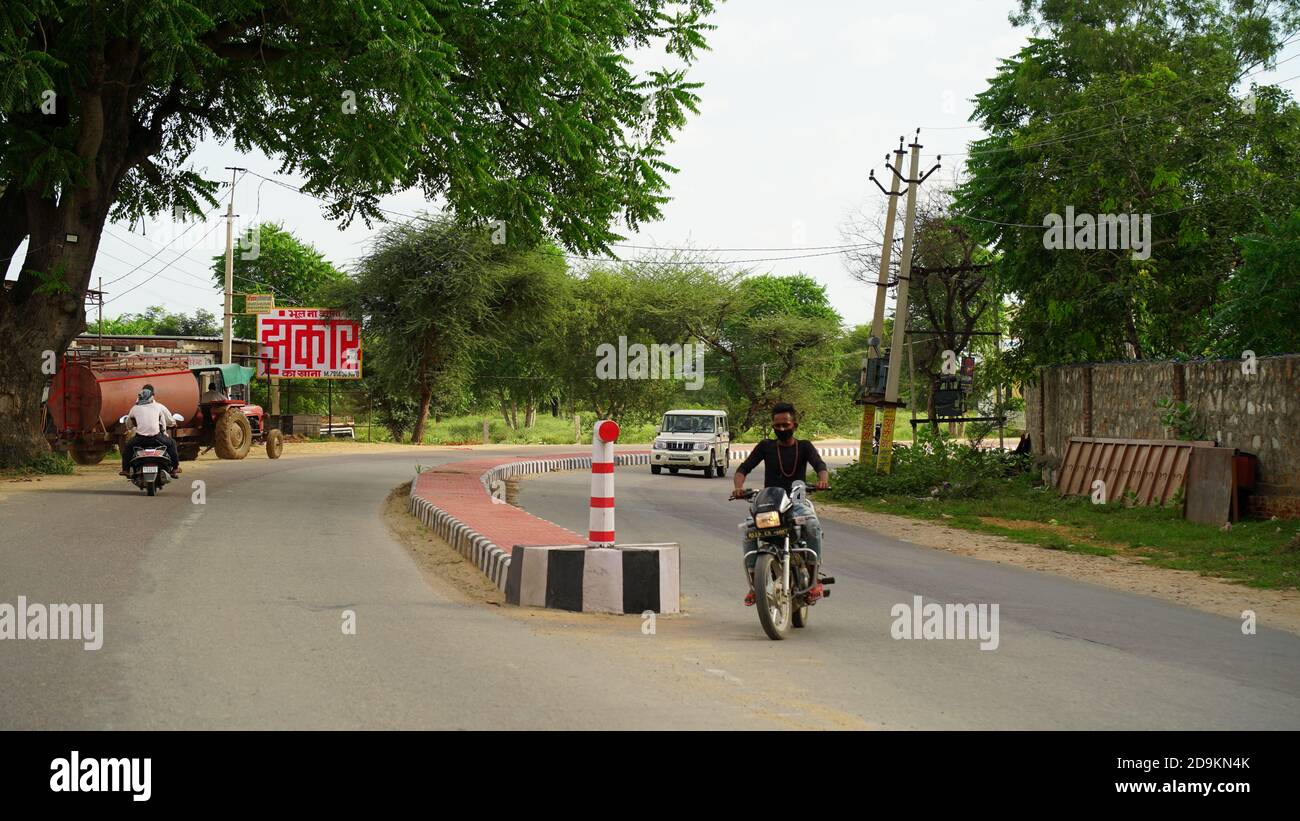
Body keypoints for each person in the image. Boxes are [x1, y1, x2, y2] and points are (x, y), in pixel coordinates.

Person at [730, 402, 829, 606]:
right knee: (749, 529)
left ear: (795, 425)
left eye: (786, 425)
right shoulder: (766, 446)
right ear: (773, 426)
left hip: (798, 499)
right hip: (770, 501)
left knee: (812, 525)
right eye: (778, 426)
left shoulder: (805, 446)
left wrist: (822, 480)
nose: (782, 429)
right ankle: (754, 586)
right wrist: (738, 487)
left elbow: (820, 466)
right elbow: (743, 468)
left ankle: (813, 578)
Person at [120, 384, 181, 478]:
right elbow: (164, 421)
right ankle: (175, 468)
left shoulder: (134, 408)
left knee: (128, 446)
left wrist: (130, 427)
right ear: (152, 396)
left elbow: (128, 424)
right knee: (172, 443)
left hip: (140, 439)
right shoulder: (158, 407)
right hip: (156, 437)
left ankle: (126, 470)